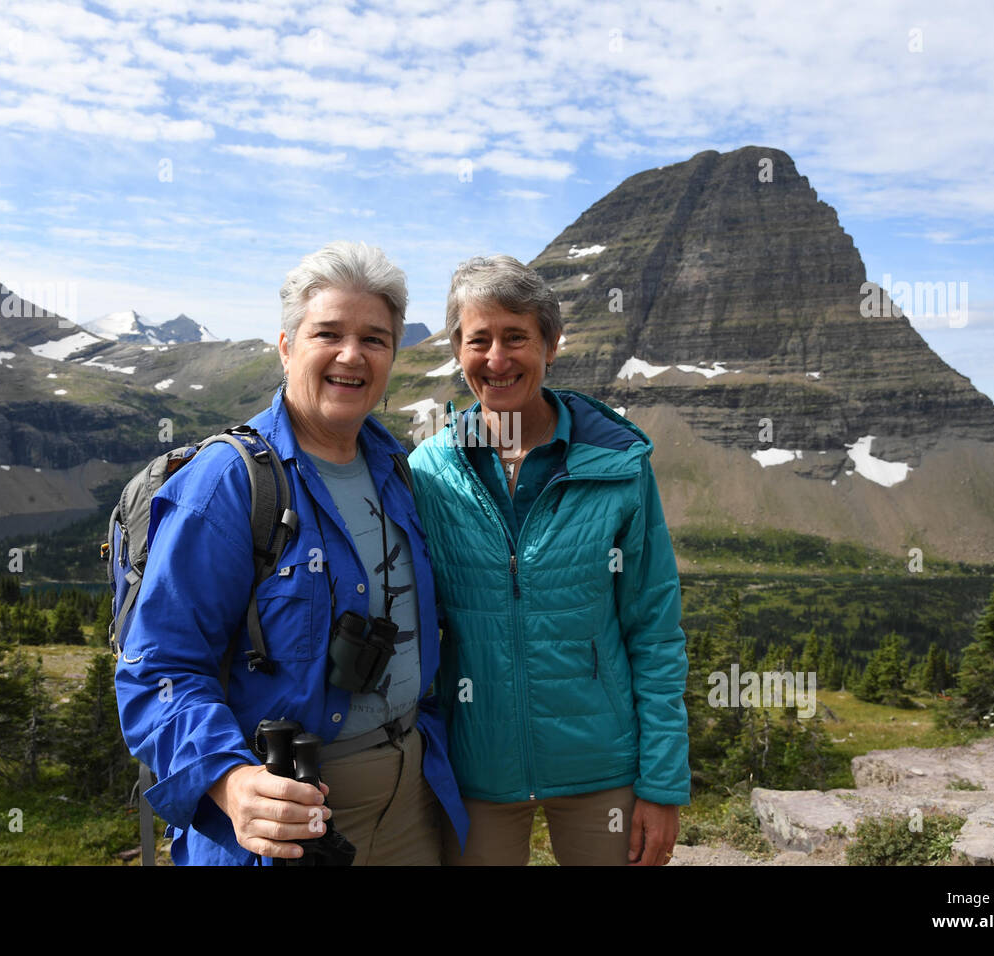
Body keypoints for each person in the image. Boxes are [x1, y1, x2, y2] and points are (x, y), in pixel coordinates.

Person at [115, 241, 468, 865]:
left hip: (416, 799)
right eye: (327, 333)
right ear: (286, 346)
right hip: (283, 822)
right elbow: (157, 671)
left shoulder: (398, 470)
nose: (351, 356)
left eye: (375, 339)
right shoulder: (229, 484)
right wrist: (230, 781)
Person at [407, 255, 688, 866]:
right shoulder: (427, 472)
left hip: (602, 765)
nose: (497, 359)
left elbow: (654, 630)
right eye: (479, 340)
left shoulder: (619, 467)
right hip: (476, 766)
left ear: (551, 344)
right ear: (458, 349)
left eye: (517, 337)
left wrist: (662, 785)